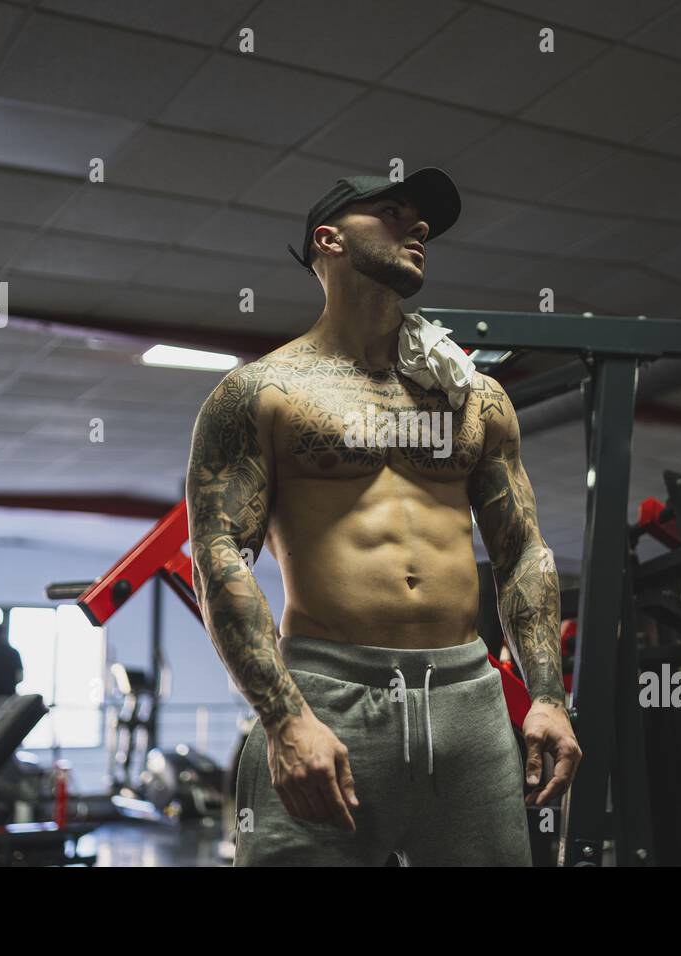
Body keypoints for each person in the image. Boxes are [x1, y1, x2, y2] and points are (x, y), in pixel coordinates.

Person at [186, 168, 581, 866]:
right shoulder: (261, 393)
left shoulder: (475, 400)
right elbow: (219, 558)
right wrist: (284, 721)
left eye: (422, 222)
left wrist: (548, 697)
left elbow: (522, 551)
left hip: (467, 702)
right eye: (393, 213)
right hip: (328, 701)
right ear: (328, 239)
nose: (418, 227)